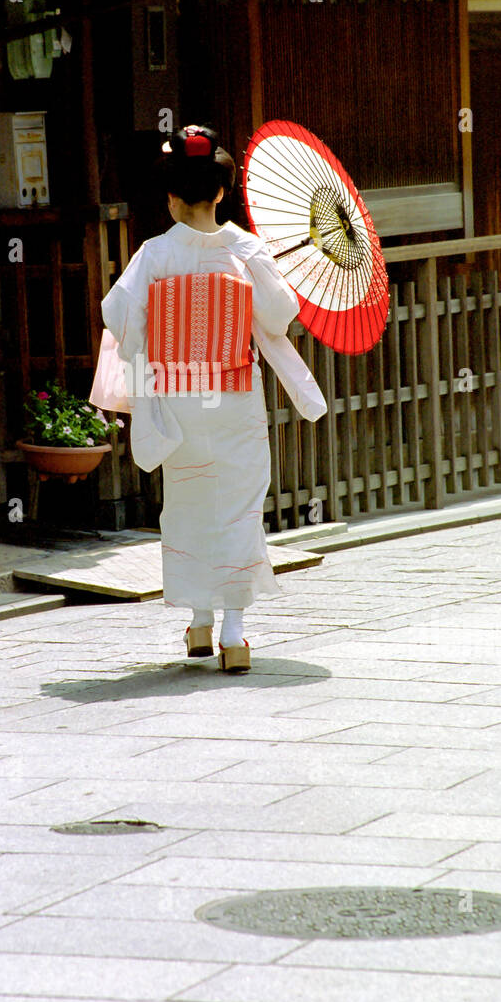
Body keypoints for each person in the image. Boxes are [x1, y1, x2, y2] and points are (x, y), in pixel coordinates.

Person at [99, 124, 326, 673]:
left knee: (190, 506)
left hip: (178, 400)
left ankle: (199, 621)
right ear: (222, 192)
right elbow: (278, 315)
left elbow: (117, 314)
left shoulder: (154, 254)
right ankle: (235, 632)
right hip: (234, 396)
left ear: (172, 196)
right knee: (239, 508)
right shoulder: (247, 249)